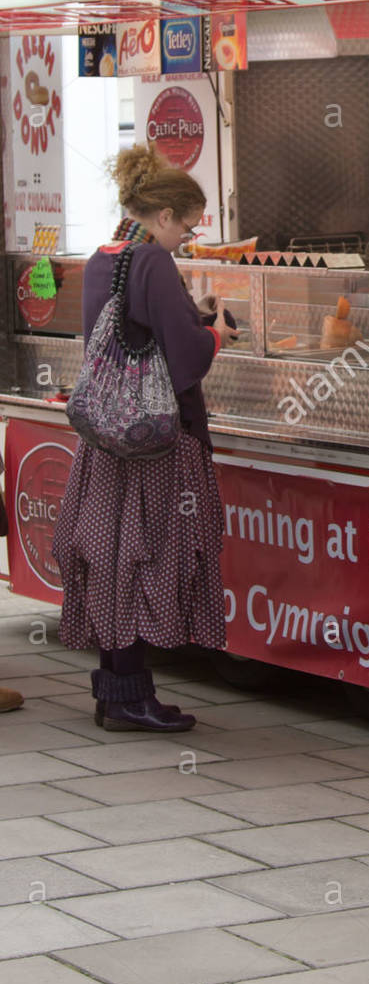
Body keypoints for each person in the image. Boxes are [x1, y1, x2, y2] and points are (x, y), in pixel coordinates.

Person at [52, 146, 238, 732]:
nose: (187, 235)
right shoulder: (154, 262)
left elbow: (127, 336)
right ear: (162, 216)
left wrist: (190, 315)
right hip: (158, 444)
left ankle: (116, 692)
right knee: (149, 563)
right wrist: (216, 336)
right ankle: (133, 701)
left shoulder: (104, 256)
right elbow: (182, 361)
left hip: (107, 441)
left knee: (111, 562)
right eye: (186, 224)